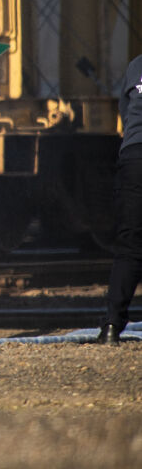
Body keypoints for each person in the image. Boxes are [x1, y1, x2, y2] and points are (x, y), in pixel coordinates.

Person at [92, 56, 142, 343]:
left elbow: (125, 111)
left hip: (134, 156)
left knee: (129, 246)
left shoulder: (136, 66)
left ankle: (112, 325)